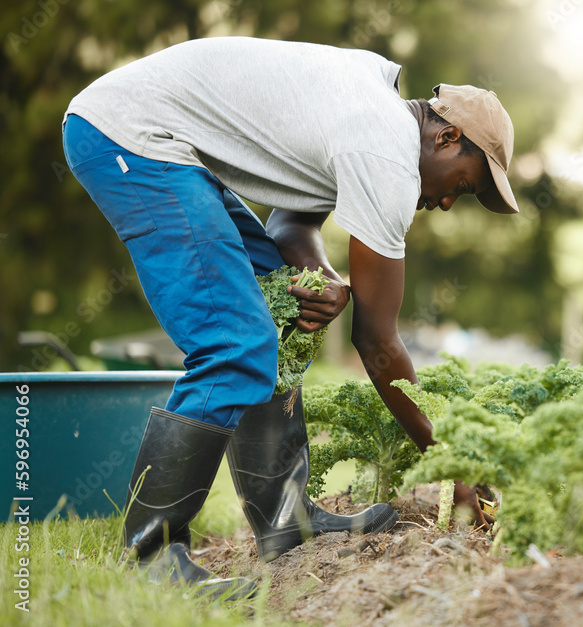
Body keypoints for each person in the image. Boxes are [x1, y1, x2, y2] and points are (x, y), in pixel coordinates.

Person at [62, 36, 518, 599]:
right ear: (448, 136)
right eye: (465, 184)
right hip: (131, 133)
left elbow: (290, 230)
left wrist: (318, 274)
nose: (448, 202)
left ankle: (285, 520)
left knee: (269, 314)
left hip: (155, 135)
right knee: (234, 342)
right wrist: (455, 463)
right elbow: (377, 342)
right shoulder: (386, 154)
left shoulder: (371, 111)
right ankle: (149, 560)